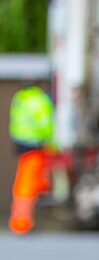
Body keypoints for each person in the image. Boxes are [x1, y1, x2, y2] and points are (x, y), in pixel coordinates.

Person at [8, 85, 56, 235]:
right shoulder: (39, 100)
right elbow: (45, 125)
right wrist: (53, 144)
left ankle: (22, 222)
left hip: (22, 146)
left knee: (28, 183)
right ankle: (22, 223)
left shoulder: (20, 98)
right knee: (28, 184)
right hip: (37, 147)